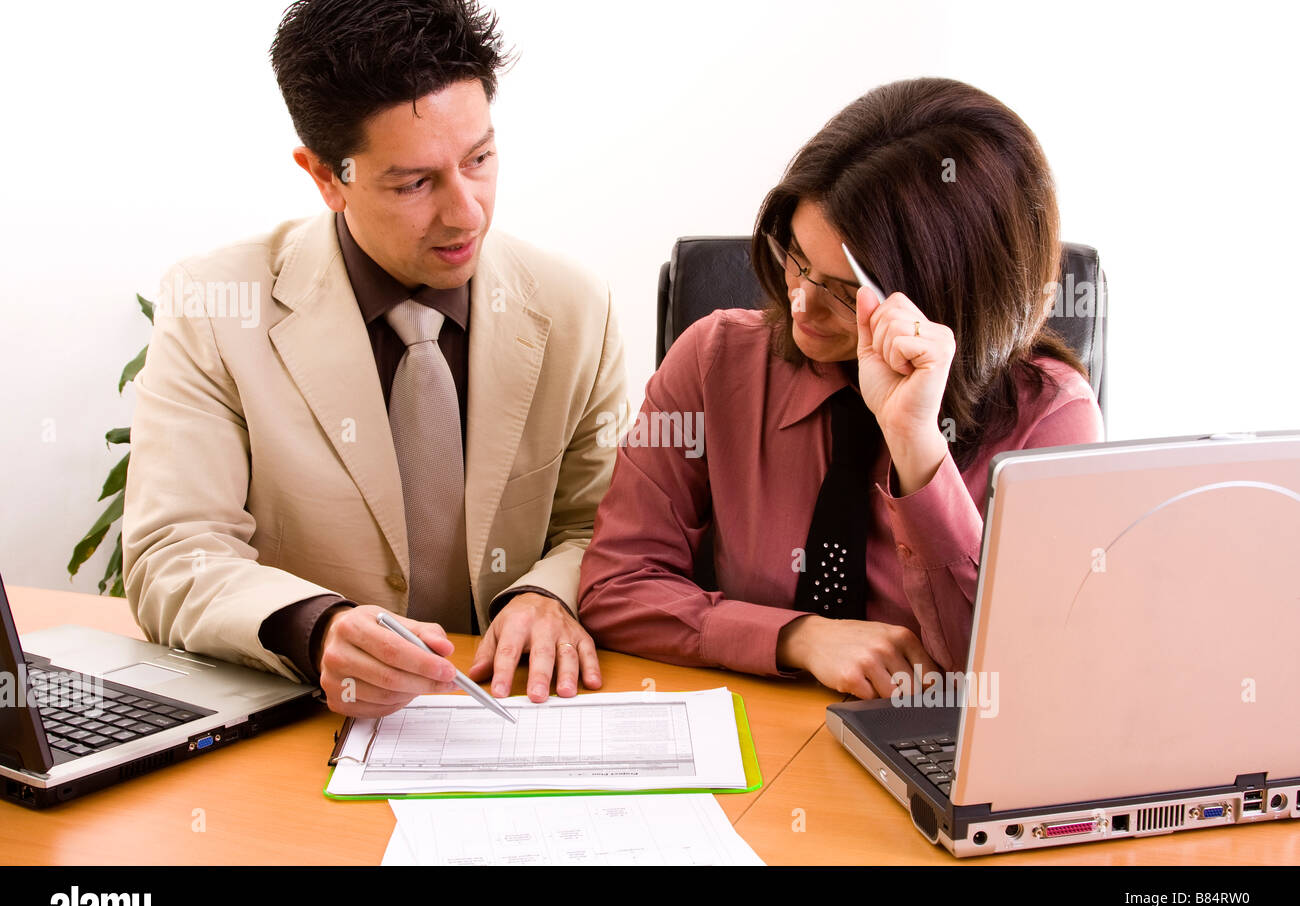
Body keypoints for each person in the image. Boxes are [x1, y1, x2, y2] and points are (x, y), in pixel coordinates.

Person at [123, 0, 625, 717]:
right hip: (305, 732)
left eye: (480, 159)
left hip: (519, 716)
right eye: (414, 183)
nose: (468, 213)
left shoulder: (576, 305)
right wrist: (315, 626)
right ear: (326, 176)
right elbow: (175, 550)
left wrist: (547, 594)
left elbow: (597, 525)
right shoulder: (215, 305)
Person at [578, 77, 1103, 700]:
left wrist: (916, 447)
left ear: (948, 293)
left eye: (840, 288)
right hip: (763, 742)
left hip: (931, 768)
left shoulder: (1053, 420)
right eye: (795, 256)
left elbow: (1026, 678)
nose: (798, 302)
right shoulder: (716, 360)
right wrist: (797, 636)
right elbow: (616, 585)